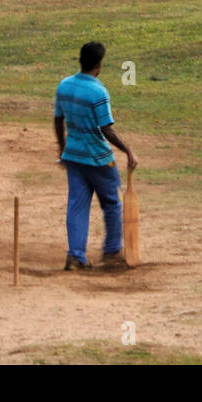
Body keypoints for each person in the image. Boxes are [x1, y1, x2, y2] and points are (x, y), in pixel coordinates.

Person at [54, 41, 138, 271]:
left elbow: (58, 119)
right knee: (111, 203)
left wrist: (62, 149)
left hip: (73, 157)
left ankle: (75, 256)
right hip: (99, 160)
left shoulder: (64, 86)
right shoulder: (98, 92)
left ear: (80, 60)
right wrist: (127, 149)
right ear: (99, 65)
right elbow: (106, 129)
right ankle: (111, 252)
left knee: (77, 206)